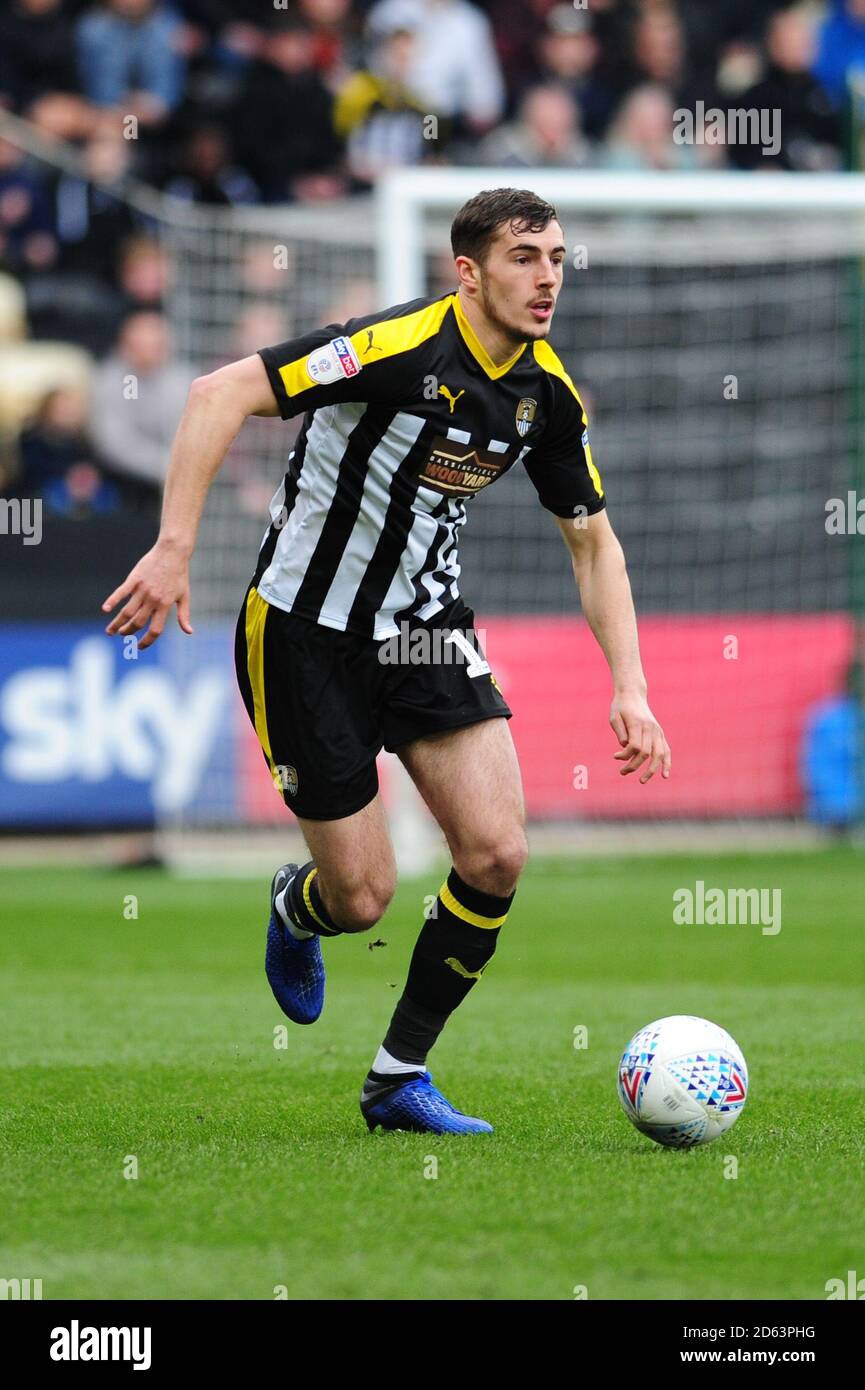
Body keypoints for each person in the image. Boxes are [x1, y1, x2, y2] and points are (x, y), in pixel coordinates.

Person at [102, 187, 671, 1136]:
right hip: (303, 633)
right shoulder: (392, 346)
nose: (546, 278)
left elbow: (592, 543)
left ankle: (398, 1076)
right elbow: (218, 393)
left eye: (556, 258)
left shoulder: (544, 397)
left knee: (496, 853)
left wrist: (631, 687)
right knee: (361, 898)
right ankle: (300, 907)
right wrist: (173, 549)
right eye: (524, 258)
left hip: (423, 628)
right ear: (468, 272)